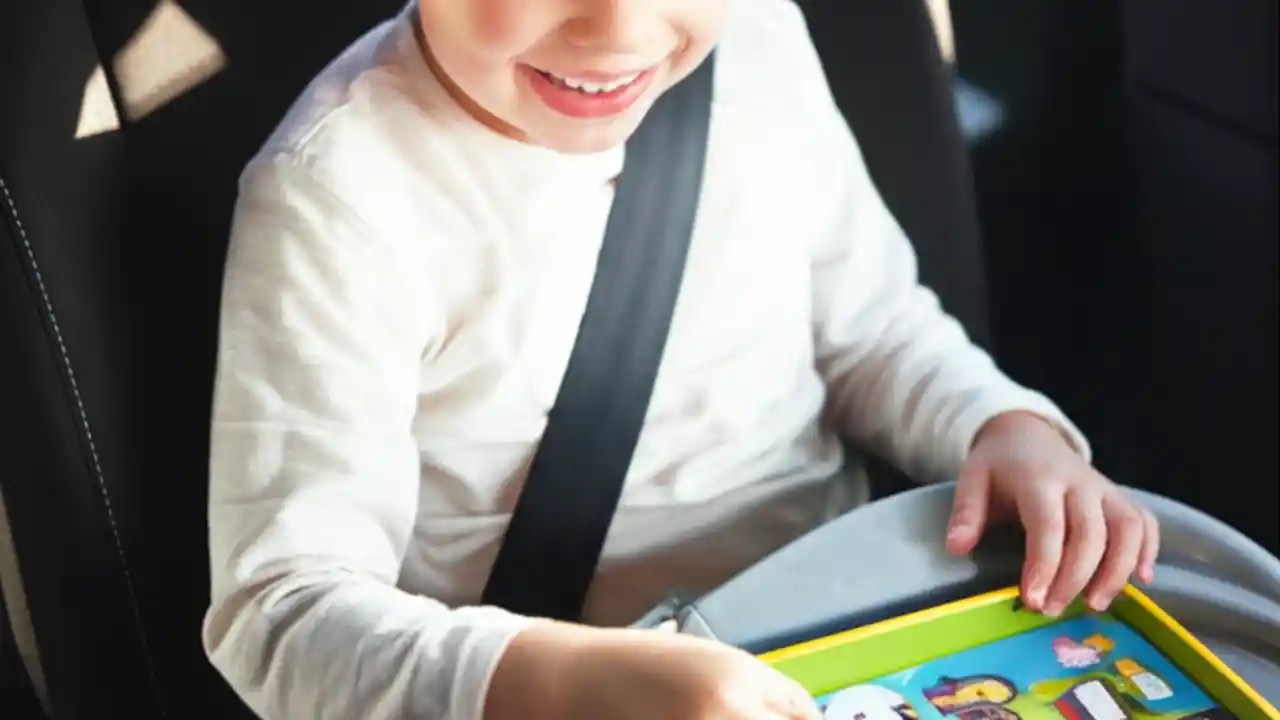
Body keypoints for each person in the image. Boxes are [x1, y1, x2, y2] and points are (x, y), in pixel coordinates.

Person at [201, 1, 1160, 718]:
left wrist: (1003, 425)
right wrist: (572, 679)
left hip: (867, 639)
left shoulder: (759, 40)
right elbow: (282, 611)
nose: (618, 30)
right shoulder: (339, 193)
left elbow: (872, 332)